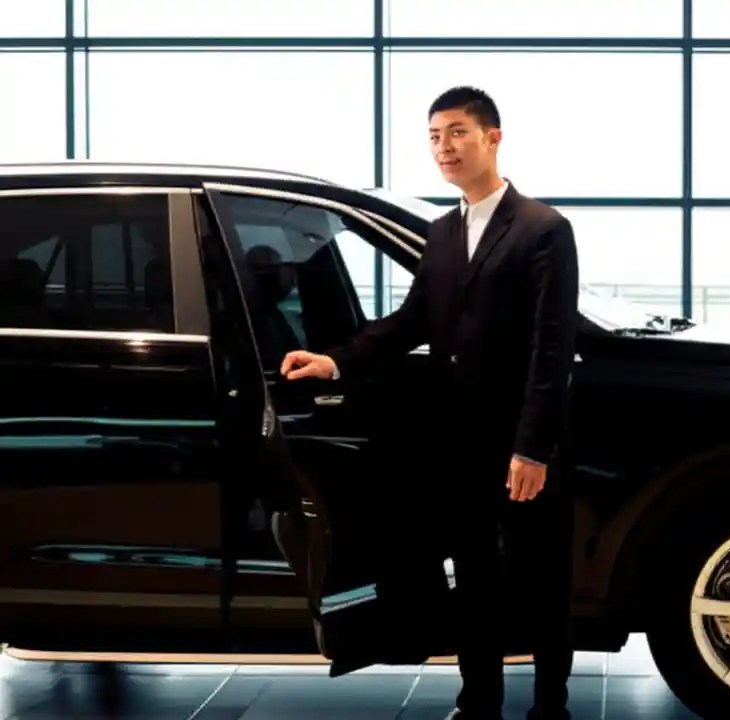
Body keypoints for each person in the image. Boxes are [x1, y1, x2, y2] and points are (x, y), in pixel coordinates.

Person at [280, 85, 579, 720]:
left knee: (541, 583)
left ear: (493, 138)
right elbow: (411, 321)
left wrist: (533, 446)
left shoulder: (544, 229)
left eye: (458, 133)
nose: (444, 147)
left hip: (522, 447)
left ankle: (551, 706)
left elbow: (551, 349)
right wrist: (336, 359)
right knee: (472, 580)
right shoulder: (442, 233)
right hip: (457, 444)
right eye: (435, 136)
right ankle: (480, 702)